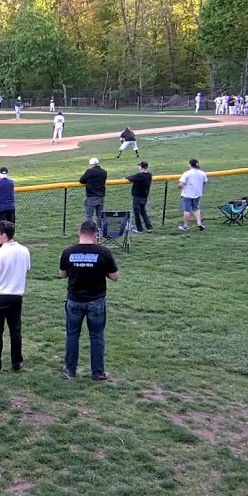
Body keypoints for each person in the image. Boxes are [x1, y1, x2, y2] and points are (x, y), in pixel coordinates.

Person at [58, 220, 119, 382]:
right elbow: (115, 276)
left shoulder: (68, 252)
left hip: (74, 300)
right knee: (97, 336)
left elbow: (62, 274)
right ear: (95, 235)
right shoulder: (104, 252)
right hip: (96, 301)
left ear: (80, 233)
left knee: (72, 335)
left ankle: (70, 370)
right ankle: (98, 372)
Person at [0, 220, 31, 374]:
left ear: (4, 235)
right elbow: (27, 270)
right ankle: (17, 362)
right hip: (16, 296)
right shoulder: (24, 250)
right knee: (15, 330)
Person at [177, 159, 208, 231]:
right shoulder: (202, 173)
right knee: (196, 209)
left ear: (190, 164)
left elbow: (181, 184)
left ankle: (185, 226)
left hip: (187, 194)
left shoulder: (187, 173)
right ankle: (199, 223)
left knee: (187, 210)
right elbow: (204, 183)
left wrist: (180, 188)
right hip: (197, 194)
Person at [125, 161, 154, 234]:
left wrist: (126, 177)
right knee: (143, 212)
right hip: (145, 197)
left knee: (137, 213)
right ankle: (149, 227)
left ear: (141, 167)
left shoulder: (139, 175)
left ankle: (139, 229)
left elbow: (130, 178)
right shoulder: (149, 175)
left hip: (137, 197)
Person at [80, 158, 107, 223]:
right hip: (101, 196)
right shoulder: (104, 172)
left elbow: (82, 180)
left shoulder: (89, 172)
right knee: (99, 216)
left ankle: (90, 231)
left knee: (89, 216)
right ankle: (100, 230)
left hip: (91, 196)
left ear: (91, 164)